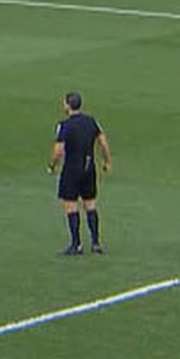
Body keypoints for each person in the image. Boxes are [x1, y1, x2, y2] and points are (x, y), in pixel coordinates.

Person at [49, 92, 112, 255]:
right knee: (90, 204)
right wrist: (106, 161)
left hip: (71, 169)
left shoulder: (64, 125)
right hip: (89, 167)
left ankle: (76, 244)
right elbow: (103, 142)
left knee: (70, 205)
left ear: (68, 105)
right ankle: (96, 242)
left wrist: (52, 165)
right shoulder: (91, 121)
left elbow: (58, 150)